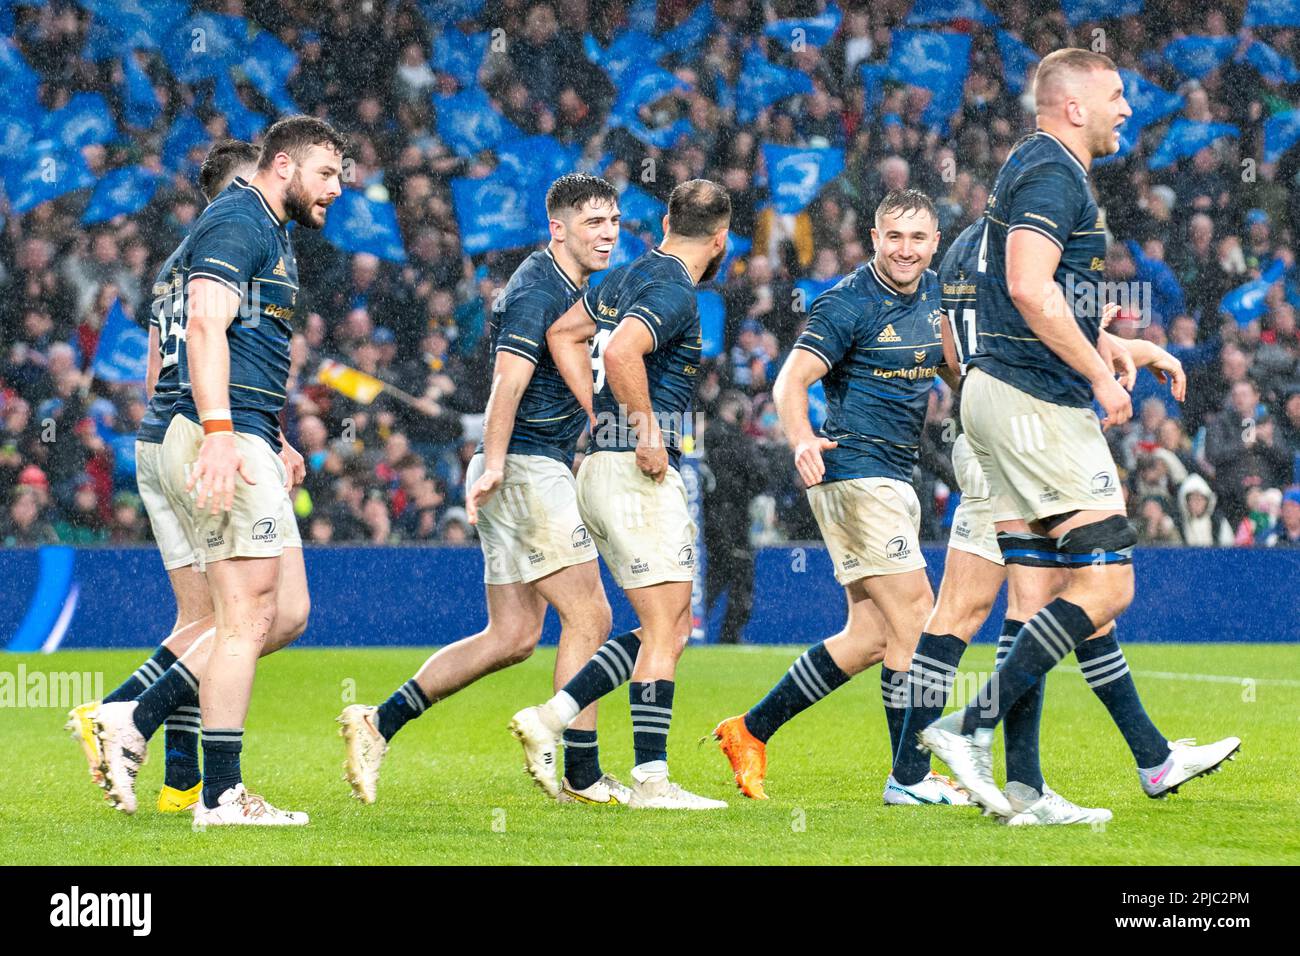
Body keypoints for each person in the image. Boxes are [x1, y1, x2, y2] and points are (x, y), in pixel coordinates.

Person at [917, 49, 1239, 816]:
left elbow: (1029, 300)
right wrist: (1098, 375)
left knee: (1038, 594)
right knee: (1108, 583)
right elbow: (1029, 290)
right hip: (1036, 403)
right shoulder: (1053, 172)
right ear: (1072, 106)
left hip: (998, 395)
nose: (1127, 107)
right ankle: (967, 727)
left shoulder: (1028, 169)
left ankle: (1035, 787)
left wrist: (1117, 347)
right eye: (1116, 93)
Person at [336, 174, 630, 806]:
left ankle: (379, 722)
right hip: (523, 468)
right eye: (593, 222)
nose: (608, 233)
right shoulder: (538, 288)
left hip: (525, 465)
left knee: (513, 637)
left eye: (613, 221)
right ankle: (582, 774)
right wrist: (495, 462)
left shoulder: (571, 287)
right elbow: (506, 384)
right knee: (592, 616)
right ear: (558, 229)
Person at [93, 117, 347, 826]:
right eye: (328, 174)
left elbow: (227, 344)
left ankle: (135, 715)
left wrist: (269, 432)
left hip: (247, 431)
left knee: (284, 612)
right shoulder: (239, 221)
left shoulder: (269, 229)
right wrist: (218, 433)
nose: (337, 190)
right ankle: (219, 792)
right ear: (285, 166)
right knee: (243, 615)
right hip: (223, 434)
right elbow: (205, 327)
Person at [711, 189, 965, 804]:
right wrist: (801, 439)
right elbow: (791, 380)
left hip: (894, 476)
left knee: (872, 636)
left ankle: (750, 729)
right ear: (875, 239)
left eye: (918, 238)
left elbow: (958, 369)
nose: (905, 249)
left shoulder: (938, 295)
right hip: (854, 473)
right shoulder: (847, 300)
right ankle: (909, 777)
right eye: (894, 237)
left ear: (935, 243)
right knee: (918, 616)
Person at [510, 179, 733, 810]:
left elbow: (564, 334)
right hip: (637, 471)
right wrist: (645, 432)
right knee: (666, 628)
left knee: (668, 625)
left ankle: (555, 717)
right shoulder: (674, 290)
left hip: (601, 467)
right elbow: (624, 351)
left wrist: (598, 412)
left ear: (665, 222)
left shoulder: (627, 275)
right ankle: (651, 780)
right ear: (721, 240)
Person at [64, 141, 267, 814]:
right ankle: (123, 713)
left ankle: (181, 781)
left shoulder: (173, 265)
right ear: (233, 188)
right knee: (233, 618)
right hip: (199, 435)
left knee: (201, 618)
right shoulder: (233, 253)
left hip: (158, 437)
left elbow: (154, 374)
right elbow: (230, 358)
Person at [702, 390, 764, 644]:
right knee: (739, 576)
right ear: (738, 413)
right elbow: (761, 476)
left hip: (707, 516)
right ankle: (730, 634)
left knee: (713, 576)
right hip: (733, 518)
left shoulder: (704, 437)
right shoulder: (738, 441)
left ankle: (688, 627)